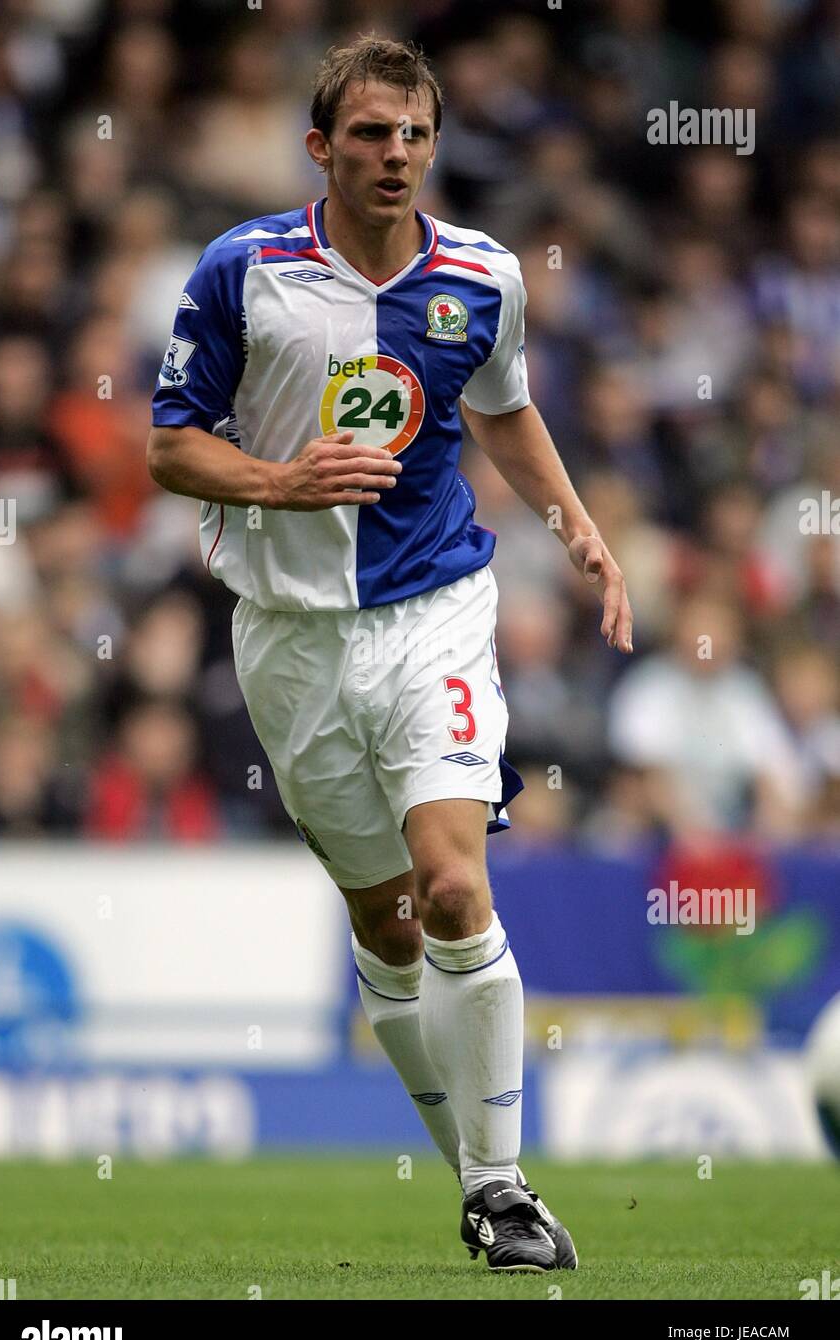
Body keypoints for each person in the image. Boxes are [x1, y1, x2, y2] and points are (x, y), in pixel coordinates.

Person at [147, 36, 633, 1273]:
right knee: (388, 924)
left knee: (452, 884)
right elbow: (170, 445)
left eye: (413, 134)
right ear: (321, 148)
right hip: (290, 636)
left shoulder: (482, 274)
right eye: (369, 134)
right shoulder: (242, 271)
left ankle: (500, 1183)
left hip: (434, 611)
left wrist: (579, 530)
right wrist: (281, 481)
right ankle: (471, 1174)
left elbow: (505, 407)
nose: (396, 154)